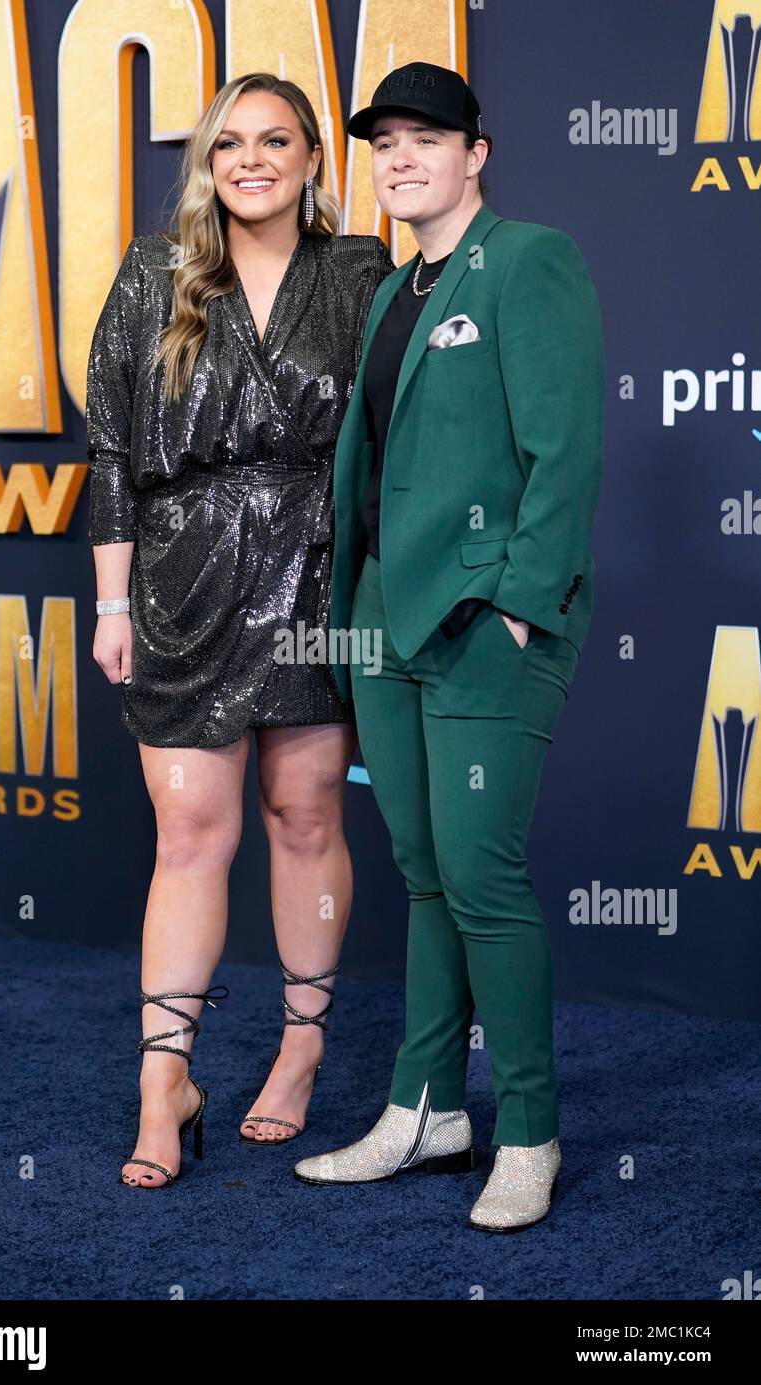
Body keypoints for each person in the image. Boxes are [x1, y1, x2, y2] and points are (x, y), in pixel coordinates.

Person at [293, 62, 605, 1233]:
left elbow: (563, 449)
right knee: (423, 874)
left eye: (427, 137)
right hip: (383, 616)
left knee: (481, 877)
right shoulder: (388, 292)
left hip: (484, 621)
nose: (402, 157)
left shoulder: (529, 262)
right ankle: (424, 1108)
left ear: (477, 151)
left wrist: (518, 603)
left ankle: (526, 1128)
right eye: (384, 143)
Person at [85, 72, 394, 1187]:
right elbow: (113, 451)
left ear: (315, 159)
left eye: (275, 141)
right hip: (180, 578)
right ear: (207, 165)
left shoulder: (360, 273)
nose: (250, 160)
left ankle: (301, 1046)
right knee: (188, 834)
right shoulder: (152, 271)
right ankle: (163, 1075)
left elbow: (399, 437)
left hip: (316, 571)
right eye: (229, 145)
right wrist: (113, 603)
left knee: (303, 815)